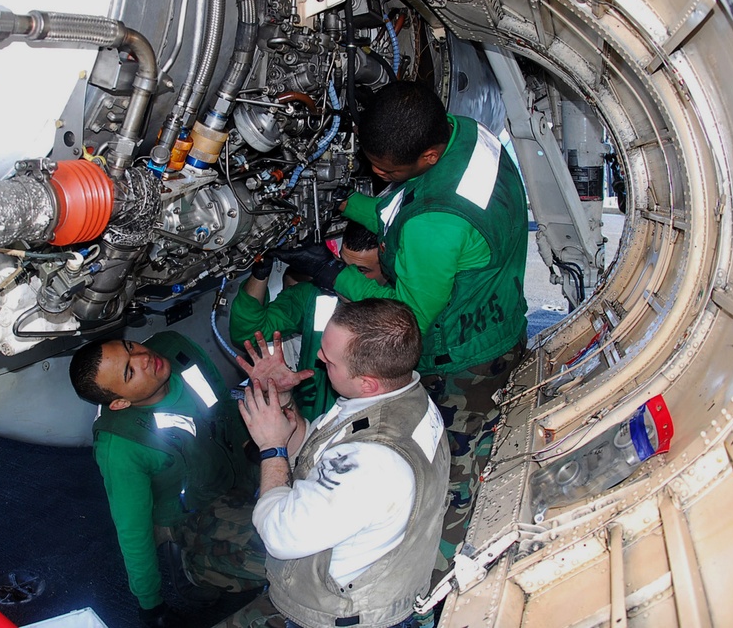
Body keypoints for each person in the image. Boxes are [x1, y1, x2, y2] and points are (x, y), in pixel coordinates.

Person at [276, 81, 529, 578]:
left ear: (429, 154)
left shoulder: (436, 225)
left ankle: (434, 583)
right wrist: (344, 203)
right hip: (500, 315)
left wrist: (332, 273)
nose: (377, 174)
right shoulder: (468, 137)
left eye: (386, 170)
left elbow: (405, 317)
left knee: (448, 473)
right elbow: (406, 206)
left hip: (464, 359)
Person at [218, 298, 450, 628]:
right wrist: (283, 400)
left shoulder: (372, 462)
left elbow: (278, 534)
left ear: (368, 382)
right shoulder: (402, 396)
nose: (318, 359)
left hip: (342, 613)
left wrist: (271, 448)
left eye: (329, 362)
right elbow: (321, 452)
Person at [69, 331, 266, 627]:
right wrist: (151, 606)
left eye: (130, 347)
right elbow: (132, 531)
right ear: (120, 403)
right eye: (130, 371)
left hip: (234, 465)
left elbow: (222, 404)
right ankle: (196, 566)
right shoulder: (121, 445)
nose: (144, 358)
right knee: (280, 556)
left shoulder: (176, 350)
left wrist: (252, 449)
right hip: (193, 511)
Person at [230, 221, 386, 422]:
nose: (347, 276)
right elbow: (248, 332)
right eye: (343, 265)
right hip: (312, 421)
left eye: (362, 271)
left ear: (387, 270)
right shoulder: (313, 295)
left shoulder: (407, 314)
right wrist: (260, 273)